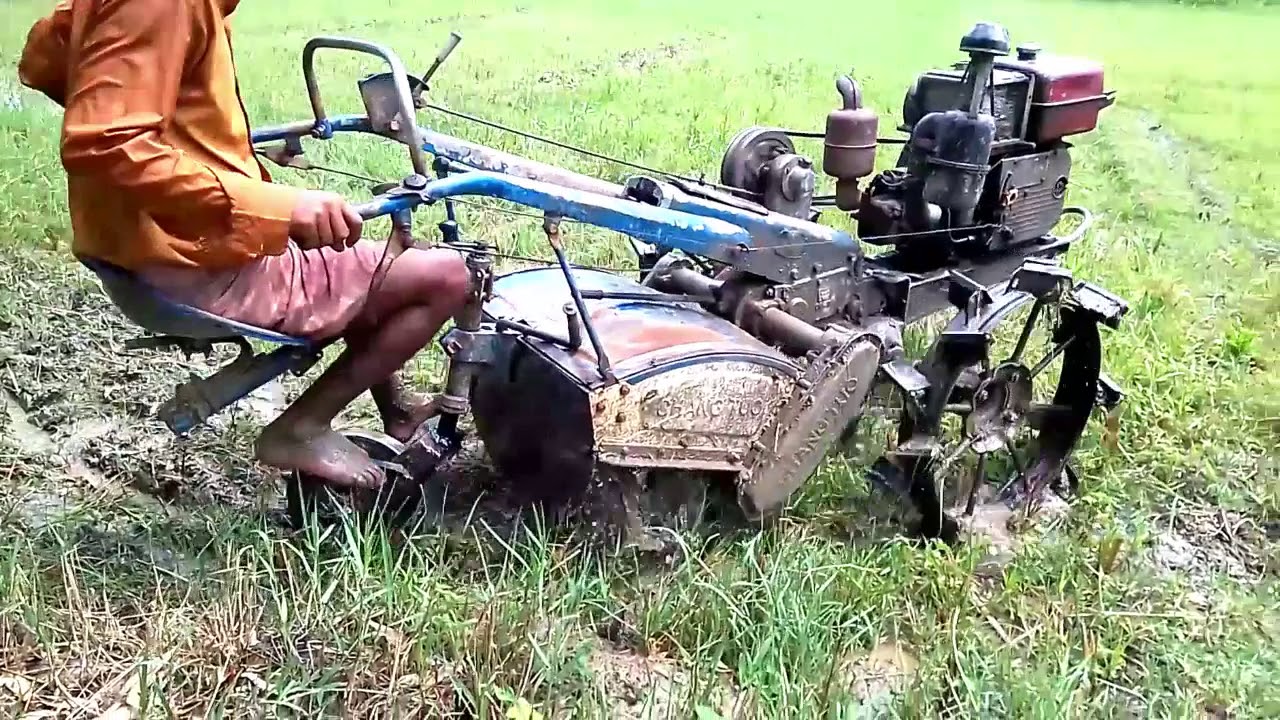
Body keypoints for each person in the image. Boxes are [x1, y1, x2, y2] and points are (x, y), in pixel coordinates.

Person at [18, 0, 470, 491]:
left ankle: (397, 413)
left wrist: (201, 147)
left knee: (365, 263)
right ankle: (300, 428)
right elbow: (105, 144)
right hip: (193, 262)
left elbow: (46, 55)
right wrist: (273, 205)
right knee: (447, 275)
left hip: (148, 250)